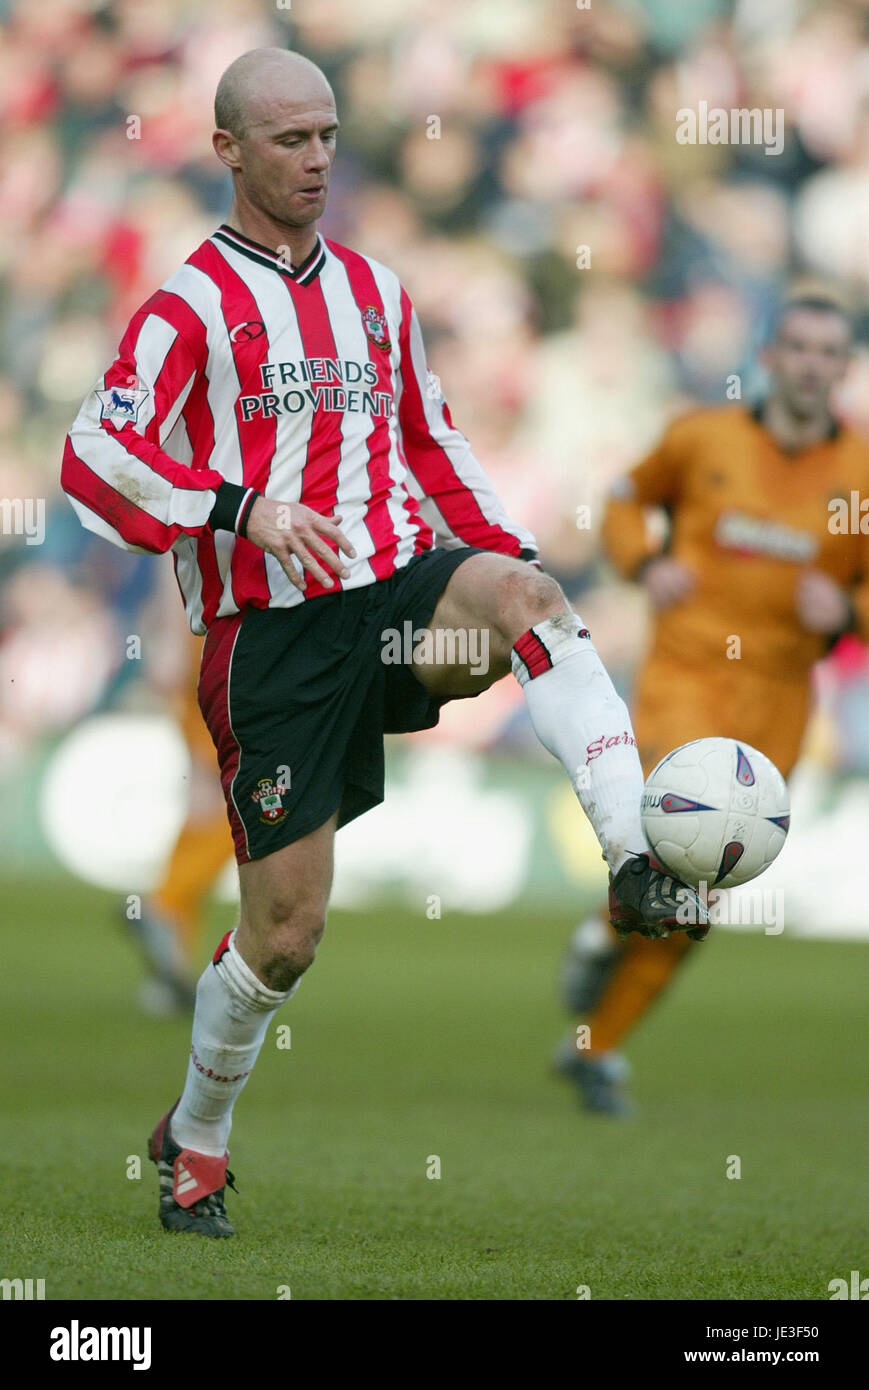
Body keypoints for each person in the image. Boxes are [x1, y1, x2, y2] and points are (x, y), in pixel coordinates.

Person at [61, 48, 706, 1238]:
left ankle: (634, 854)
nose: (316, 159)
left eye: (327, 137)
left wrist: (508, 554)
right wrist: (236, 505)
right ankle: (195, 1137)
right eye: (290, 140)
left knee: (529, 602)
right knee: (286, 935)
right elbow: (91, 456)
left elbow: (434, 445)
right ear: (230, 152)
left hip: (395, 592)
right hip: (271, 637)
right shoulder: (186, 306)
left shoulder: (376, 290)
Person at [554, 290, 869, 1116]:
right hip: (686, 675)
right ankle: (603, 928)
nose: (809, 363)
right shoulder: (703, 438)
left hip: (778, 698)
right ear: (768, 357)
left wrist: (848, 612)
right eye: (795, 346)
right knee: (674, 837)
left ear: (842, 367)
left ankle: (598, 1044)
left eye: (826, 351)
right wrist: (643, 562)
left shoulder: (860, 474)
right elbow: (624, 499)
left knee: (707, 888)